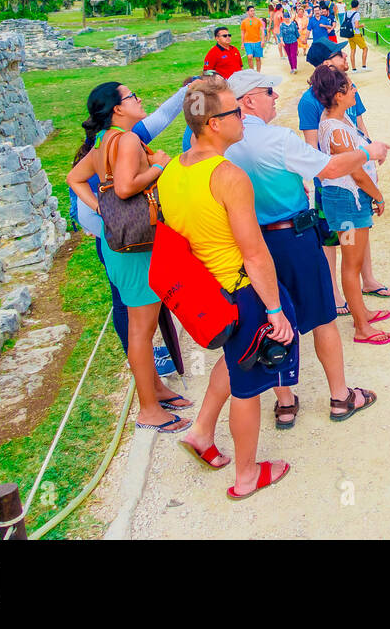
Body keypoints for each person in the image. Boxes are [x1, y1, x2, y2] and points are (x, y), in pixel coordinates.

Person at [224, 71, 388, 423]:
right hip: (292, 236)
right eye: (269, 92)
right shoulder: (278, 138)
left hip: (249, 240)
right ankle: (340, 396)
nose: (275, 98)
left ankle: (284, 402)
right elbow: (329, 168)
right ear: (248, 100)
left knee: (273, 318)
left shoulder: (218, 142)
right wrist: (367, 151)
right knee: (323, 317)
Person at [160, 77, 296, 497]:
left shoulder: (172, 171)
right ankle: (246, 475)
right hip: (243, 293)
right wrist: (274, 310)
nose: (243, 115)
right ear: (214, 124)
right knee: (249, 386)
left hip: (209, 294)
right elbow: (254, 253)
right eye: (235, 111)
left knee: (236, 361)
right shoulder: (228, 175)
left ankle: (201, 431)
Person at [66, 82, 194, 433]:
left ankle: (155, 389)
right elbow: (124, 187)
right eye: (131, 96)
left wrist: (99, 208)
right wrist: (160, 166)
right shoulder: (125, 140)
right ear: (117, 109)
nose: (139, 98)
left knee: (143, 326)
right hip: (135, 246)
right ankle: (149, 410)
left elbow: (74, 178)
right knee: (142, 329)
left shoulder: (104, 140)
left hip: (120, 243)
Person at [297, 39, 390, 312]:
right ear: (327, 62)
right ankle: (339, 295)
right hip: (337, 185)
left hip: (355, 184)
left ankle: (367, 282)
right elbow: (314, 147)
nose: (344, 56)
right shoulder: (313, 102)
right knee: (333, 238)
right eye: (339, 54)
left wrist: (371, 153)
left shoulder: (345, 91)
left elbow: (359, 127)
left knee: (357, 236)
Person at [312, 65, 390, 345]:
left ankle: (361, 312)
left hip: (349, 201)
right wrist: (378, 196)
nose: (355, 90)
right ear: (338, 94)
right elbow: (356, 173)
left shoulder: (338, 119)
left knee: (354, 262)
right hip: (347, 203)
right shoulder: (336, 130)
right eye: (350, 87)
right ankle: (361, 327)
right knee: (350, 264)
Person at [240, 5, 265, 72]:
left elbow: (262, 31)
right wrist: (242, 43)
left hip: (257, 42)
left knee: (257, 58)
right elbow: (242, 33)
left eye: (253, 10)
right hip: (247, 42)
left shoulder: (258, 21)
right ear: (247, 12)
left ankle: (258, 72)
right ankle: (252, 72)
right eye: (251, 11)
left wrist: (263, 41)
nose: (253, 12)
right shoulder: (244, 22)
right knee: (249, 57)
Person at [347, 0, 368, 71]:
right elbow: (356, 25)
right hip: (356, 34)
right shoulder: (356, 14)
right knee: (365, 48)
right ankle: (364, 66)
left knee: (352, 50)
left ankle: (354, 69)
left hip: (349, 34)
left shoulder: (347, 13)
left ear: (351, 5)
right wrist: (361, 25)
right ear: (357, 6)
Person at [278, 9, 300, 73]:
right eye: (285, 17)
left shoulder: (293, 24)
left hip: (293, 41)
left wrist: (300, 39)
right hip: (286, 42)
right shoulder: (282, 25)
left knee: (293, 54)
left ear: (289, 17)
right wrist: (281, 41)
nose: (286, 18)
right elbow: (281, 34)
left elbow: (296, 33)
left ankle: (295, 68)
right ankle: (292, 68)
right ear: (283, 18)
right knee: (289, 55)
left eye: (287, 17)